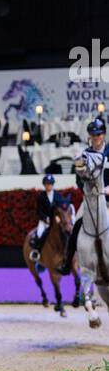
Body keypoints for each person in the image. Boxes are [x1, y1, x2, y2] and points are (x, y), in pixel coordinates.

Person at [62, 115, 109, 274]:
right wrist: (86, 188)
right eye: (93, 135)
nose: (96, 138)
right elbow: (79, 178)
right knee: (76, 226)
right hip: (91, 199)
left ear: (104, 135)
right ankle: (67, 262)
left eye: (99, 134)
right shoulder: (85, 155)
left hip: (108, 198)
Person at [30, 173, 61, 261]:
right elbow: (39, 211)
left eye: (50, 184)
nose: (48, 186)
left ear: (52, 184)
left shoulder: (57, 196)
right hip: (45, 221)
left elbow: (61, 209)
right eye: (47, 184)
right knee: (39, 233)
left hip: (56, 221)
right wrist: (45, 218)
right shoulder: (41, 196)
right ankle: (37, 251)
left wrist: (58, 217)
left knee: (65, 232)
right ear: (44, 185)